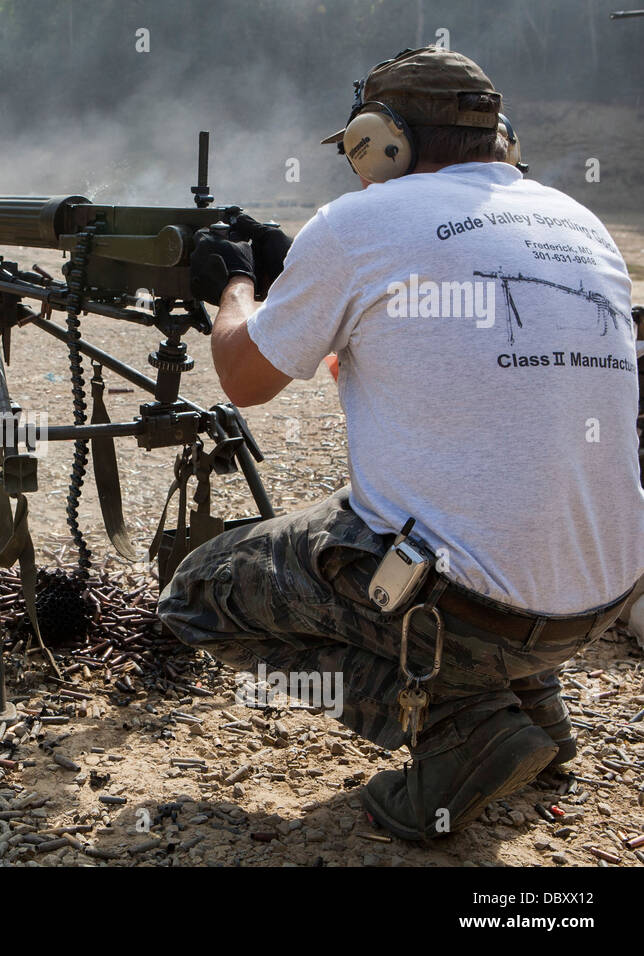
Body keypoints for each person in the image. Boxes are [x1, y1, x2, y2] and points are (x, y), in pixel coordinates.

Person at [161, 47, 644, 840]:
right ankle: (538, 716)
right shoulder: (579, 222)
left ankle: (465, 729)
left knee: (200, 593)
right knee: (487, 505)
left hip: (472, 611)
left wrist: (235, 285)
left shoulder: (360, 222)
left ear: (380, 140)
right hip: (601, 596)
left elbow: (243, 377)